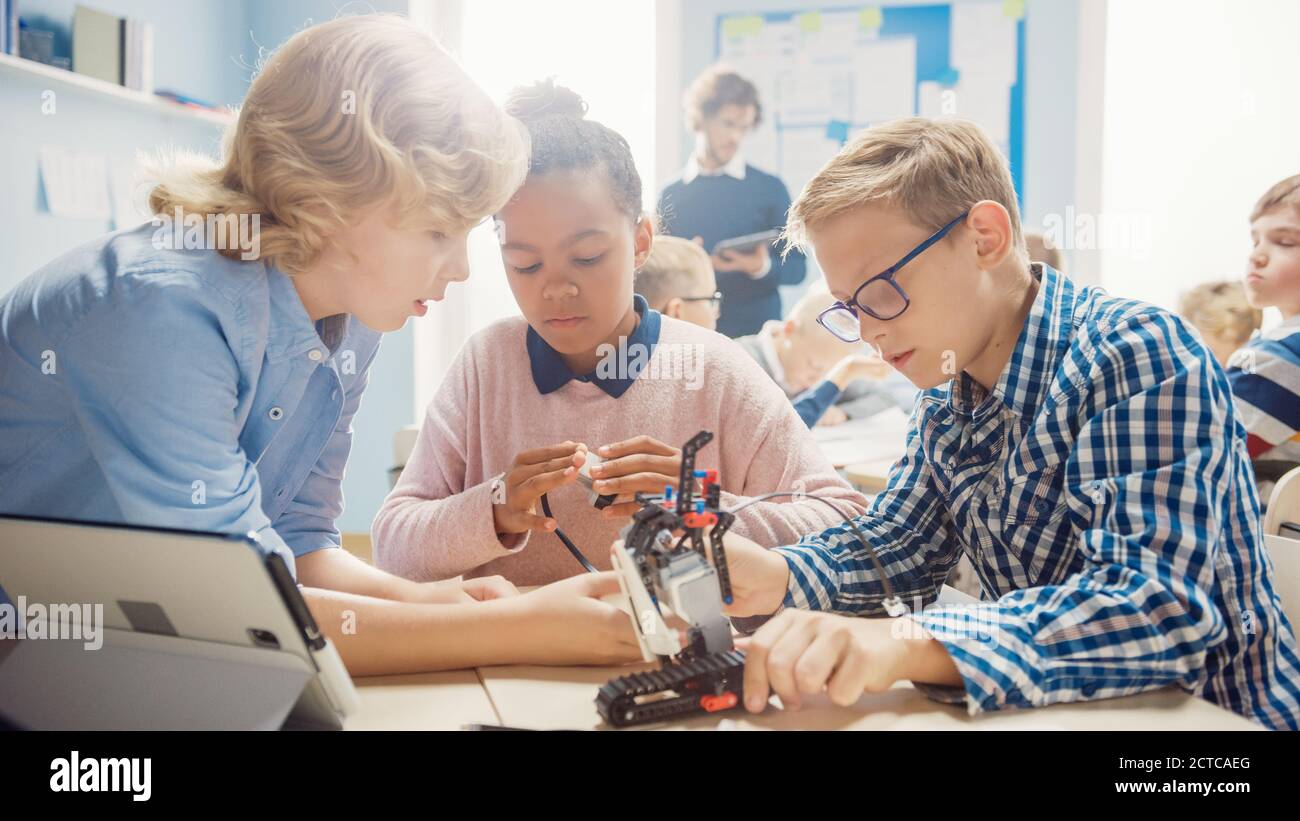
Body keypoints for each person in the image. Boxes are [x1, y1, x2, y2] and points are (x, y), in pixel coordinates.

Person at [0, 16, 647, 675]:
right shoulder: (157, 310)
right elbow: (242, 620)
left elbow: (297, 543)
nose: (460, 270)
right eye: (436, 232)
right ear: (332, 202)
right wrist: (516, 628)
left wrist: (441, 602)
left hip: (119, 644)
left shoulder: (349, 312)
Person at [712, 117, 1300, 729]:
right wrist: (774, 573)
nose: (867, 331)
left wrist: (905, 643)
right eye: (848, 308)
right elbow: (902, 545)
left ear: (985, 237)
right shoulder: (947, 391)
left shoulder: (1135, 353)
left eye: (882, 290)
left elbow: (1154, 608)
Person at [371, 80, 868, 587]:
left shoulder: (713, 369)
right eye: (525, 264)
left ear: (641, 241)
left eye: (586, 258)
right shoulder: (486, 364)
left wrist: (703, 505)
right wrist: (494, 508)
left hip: (675, 659)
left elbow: (844, 523)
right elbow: (392, 546)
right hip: (510, 658)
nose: (556, 289)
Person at [658, 66, 806, 337]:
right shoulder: (671, 194)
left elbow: (798, 269)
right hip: (692, 337)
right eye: (728, 124)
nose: (736, 137)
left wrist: (761, 267)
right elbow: (655, 276)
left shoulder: (769, 188)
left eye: (744, 127)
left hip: (757, 339)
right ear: (701, 118)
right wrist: (692, 265)